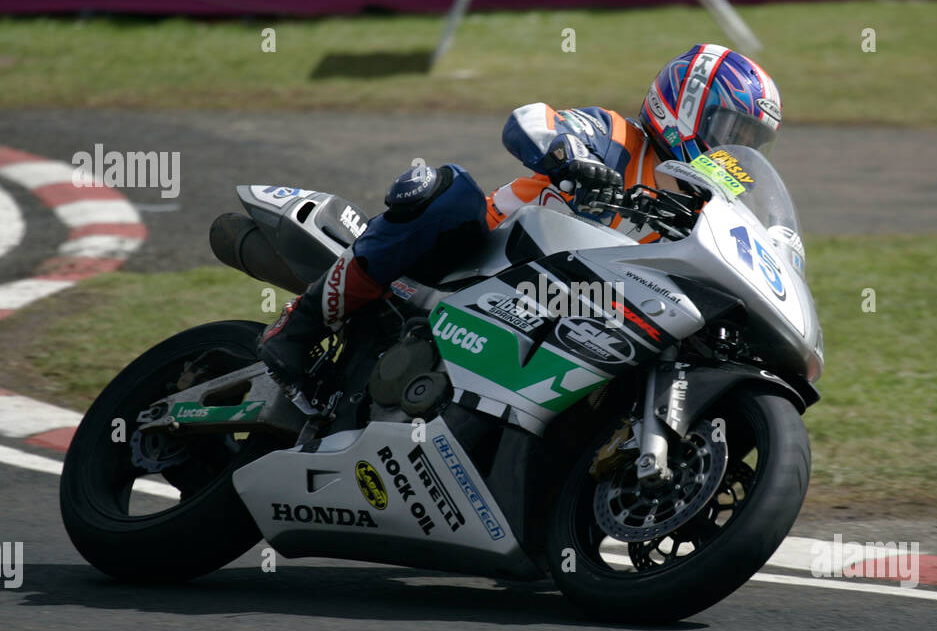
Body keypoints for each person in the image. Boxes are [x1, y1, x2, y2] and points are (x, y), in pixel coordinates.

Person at [257, 43, 782, 387]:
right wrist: (568, 155)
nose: (734, 148)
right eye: (730, 129)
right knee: (448, 190)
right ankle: (299, 326)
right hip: (469, 264)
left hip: (564, 316)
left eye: (749, 141)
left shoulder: (704, 211)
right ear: (686, 106)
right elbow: (530, 120)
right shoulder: (617, 137)